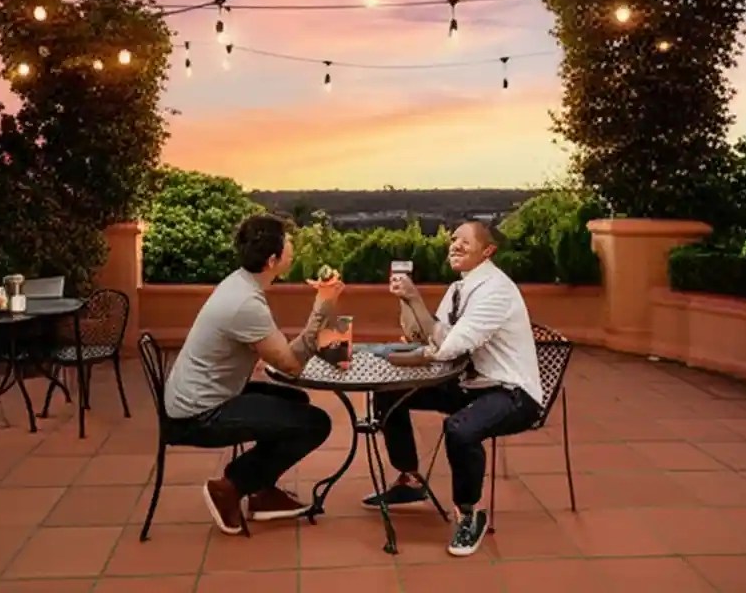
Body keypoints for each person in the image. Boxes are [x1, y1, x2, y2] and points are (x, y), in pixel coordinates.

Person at [364, 220, 544, 557]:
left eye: (463, 241)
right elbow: (427, 335)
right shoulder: (458, 289)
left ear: (487, 250)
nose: (454, 246)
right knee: (390, 391)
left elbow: (451, 346)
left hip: (512, 393)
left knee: (460, 429)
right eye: (452, 240)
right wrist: (409, 300)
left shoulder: (496, 290)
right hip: (471, 384)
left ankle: (468, 513)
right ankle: (410, 480)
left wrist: (422, 343)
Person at [164, 213, 341, 536]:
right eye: (288, 242)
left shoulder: (240, 283)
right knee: (315, 423)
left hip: (199, 396)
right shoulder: (245, 303)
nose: (292, 246)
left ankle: (262, 489)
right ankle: (229, 487)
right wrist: (321, 307)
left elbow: (280, 356)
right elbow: (290, 364)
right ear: (273, 260)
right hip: (198, 414)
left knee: (295, 400)